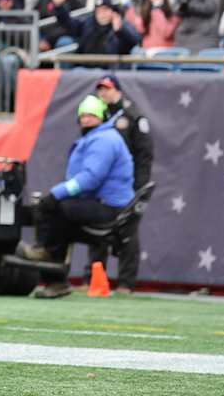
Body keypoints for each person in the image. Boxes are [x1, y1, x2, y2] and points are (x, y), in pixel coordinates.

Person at [17, 95, 134, 299]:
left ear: (102, 117)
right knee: (60, 223)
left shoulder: (104, 140)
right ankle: (56, 279)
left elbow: (91, 178)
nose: (86, 119)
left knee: (54, 209)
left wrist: (56, 194)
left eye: (92, 115)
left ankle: (46, 255)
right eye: (83, 115)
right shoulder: (98, 137)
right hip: (103, 204)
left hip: (109, 207)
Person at [88, 75, 154, 294]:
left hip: (127, 185)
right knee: (97, 230)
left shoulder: (132, 115)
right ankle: (94, 278)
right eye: (100, 89)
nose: (103, 93)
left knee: (128, 232)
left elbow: (144, 155)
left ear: (117, 90)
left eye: (107, 89)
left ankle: (126, 283)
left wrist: (140, 188)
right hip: (104, 184)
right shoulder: (99, 114)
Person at [52, 0, 140, 56]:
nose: (102, 14)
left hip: (109, 71)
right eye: (99, 11)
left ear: (112, 11)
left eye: (105, 10)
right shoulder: (88, 24)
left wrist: (120, 30)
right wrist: (60, 7)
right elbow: (68, 24)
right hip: (85, 69)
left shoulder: (121, 26)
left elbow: (134, 41)